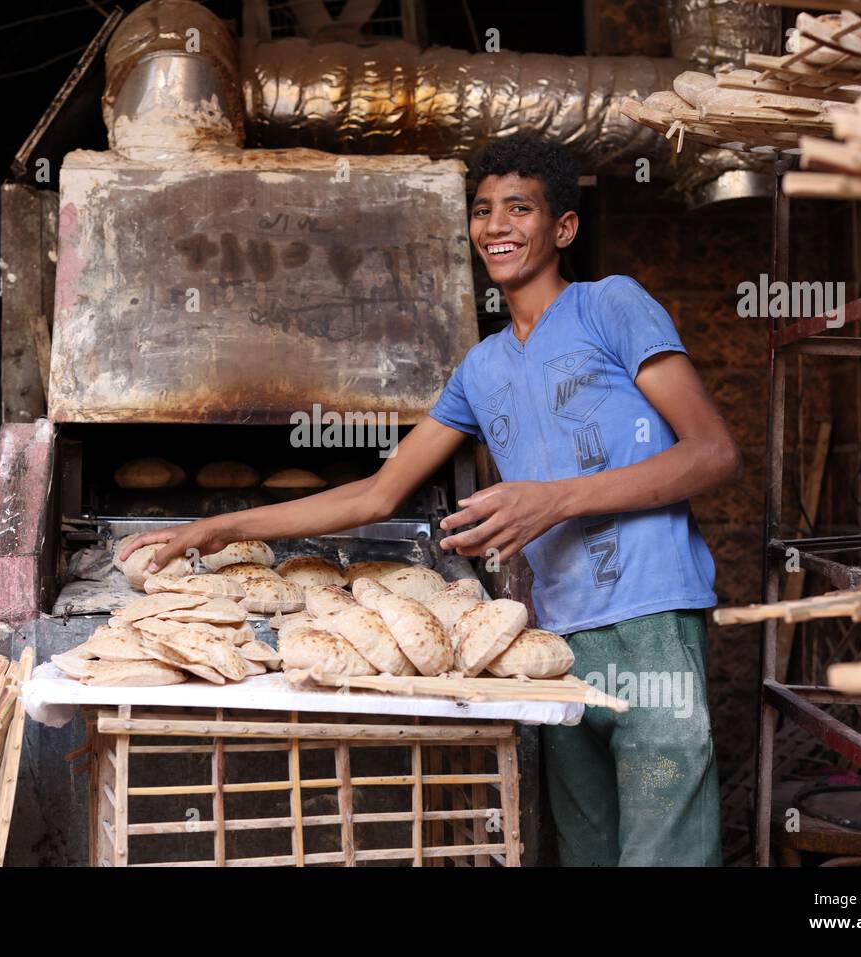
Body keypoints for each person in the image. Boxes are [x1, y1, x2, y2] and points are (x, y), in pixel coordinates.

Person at [121, 132, 741, 866]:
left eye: (520, 208)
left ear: (563, 228)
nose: (497, 225)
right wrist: (220, 527)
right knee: (587, 849)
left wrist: (554, 500)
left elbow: (713, 452)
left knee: (664, 851)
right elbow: (377, 493)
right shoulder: (479, 369)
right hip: (552, 642)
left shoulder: (612, 306)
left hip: (649, 621)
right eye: (483, 210)